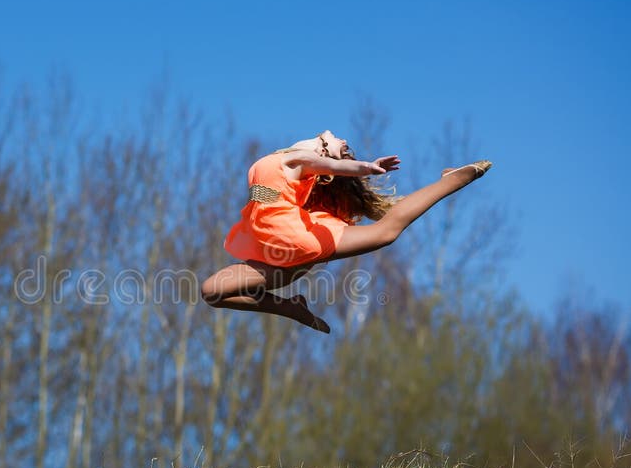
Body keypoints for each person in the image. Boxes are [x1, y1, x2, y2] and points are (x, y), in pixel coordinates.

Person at [200, 130, 491, 333]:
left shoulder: (299, 160)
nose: (335, 137)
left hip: (299, 239)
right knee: (211, 292)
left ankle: (451, 181)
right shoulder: (286, 163)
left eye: (332, 141)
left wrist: (366, 167)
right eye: (335, 140)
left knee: (385, 232)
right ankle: (289, 308)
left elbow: (330, 164)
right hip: (275, 248)